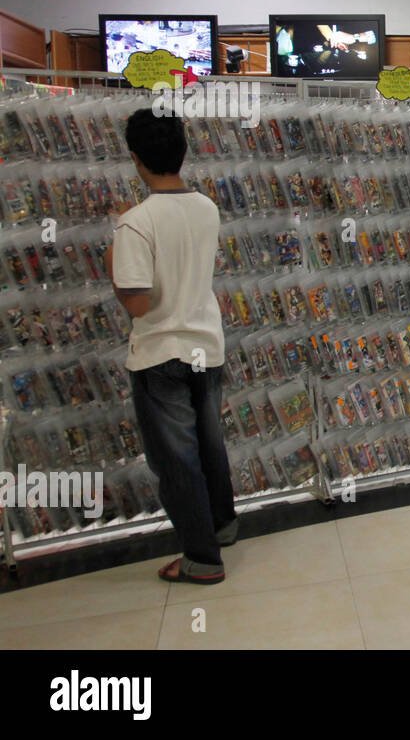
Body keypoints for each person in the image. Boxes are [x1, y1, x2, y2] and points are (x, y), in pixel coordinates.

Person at [106, 109, 235, 585]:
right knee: (208, 444)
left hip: (162, 351)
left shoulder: (135, 223)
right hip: (206, 342)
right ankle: (222, 526)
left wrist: (112, 268)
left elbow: (138, 303)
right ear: (182, 152)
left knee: (175, 459)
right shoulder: (207, 208)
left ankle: (201, 558)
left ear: (135, 159)